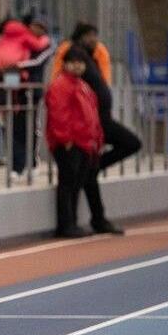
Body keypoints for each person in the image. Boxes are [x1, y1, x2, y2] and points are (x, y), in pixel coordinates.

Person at [71, 23, 139, 235]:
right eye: (89, 35)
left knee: (91, 173)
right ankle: (96, 219)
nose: (94, 39)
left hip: (101, 121)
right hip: (94, 123)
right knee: (131, 143)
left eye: (95, 35)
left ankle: (98, 218)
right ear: (80, 37)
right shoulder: (77, 55)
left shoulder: (92, 57)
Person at [45, 46, 103, 238]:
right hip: (71, 143)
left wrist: (96, 139)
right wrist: (65, 140)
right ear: (65, 64)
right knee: (68, 184)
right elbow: (58, 114)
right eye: (74, 62)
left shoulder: (81, 85)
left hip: (83, 142)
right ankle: (66, 225)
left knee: (75, 184)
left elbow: (92, 114)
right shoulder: (61, 85)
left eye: (81, 63)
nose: (78, 66)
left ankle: (71, 223)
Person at [0, 17, 50, 177]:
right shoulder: (26, 39)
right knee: (21, 127)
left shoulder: (5, 40)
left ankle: (23, 164)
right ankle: (21, 164)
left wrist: (13, 68)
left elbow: (38, 60)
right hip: (22, 86)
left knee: (22, 126)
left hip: (17, 84)